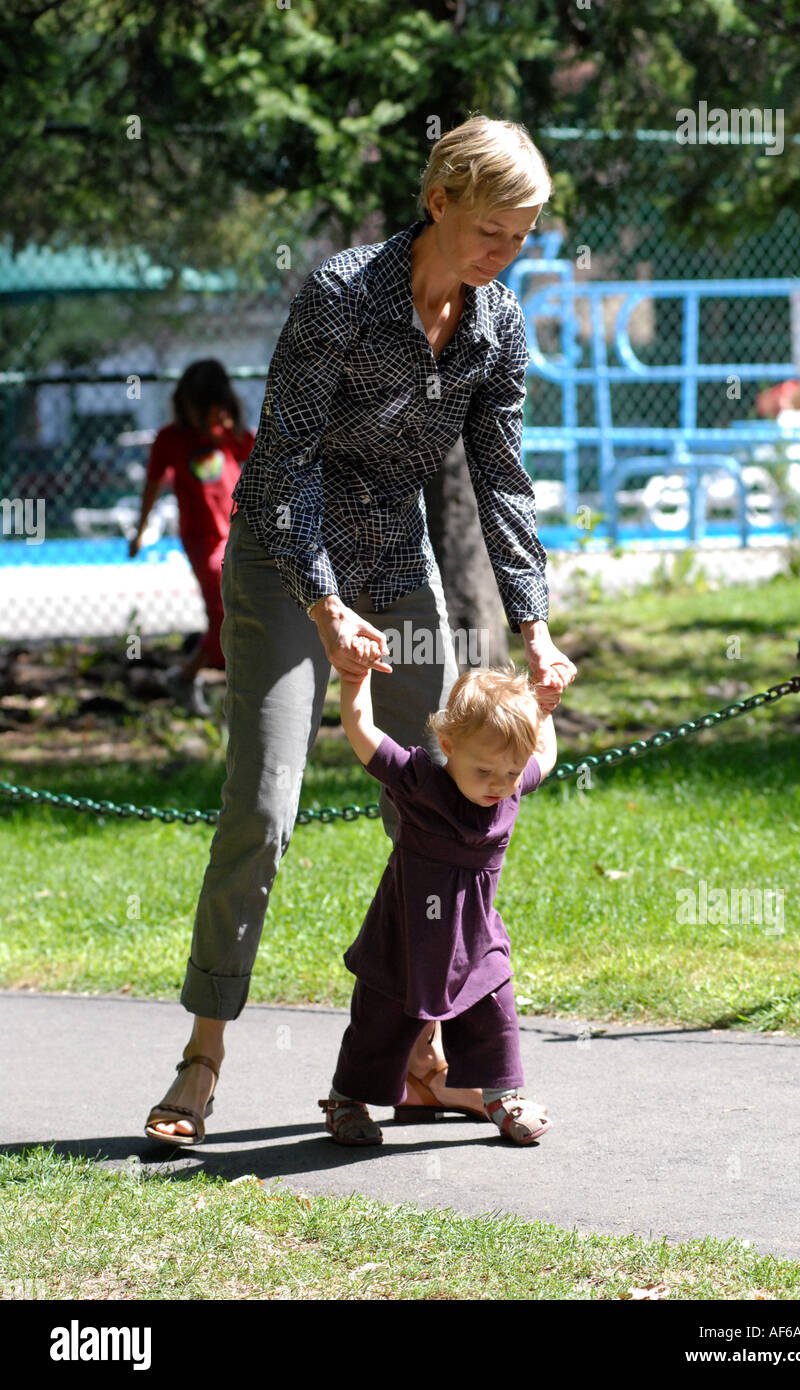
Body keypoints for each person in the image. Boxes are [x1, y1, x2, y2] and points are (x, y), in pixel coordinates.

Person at [144, 114, 577, 1148]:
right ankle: (202, 1058)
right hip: (284, 561)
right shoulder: (344, 293)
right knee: (264, 806)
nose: (504, 256)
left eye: (521, 238)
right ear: (439, 202)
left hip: (396, 556)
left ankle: (429, 1059)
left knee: (449, 805)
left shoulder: (496, 324)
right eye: (491, 233)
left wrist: (535, 624)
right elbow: (283, 458)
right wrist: (325, 601)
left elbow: (502, 479)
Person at [319, 659, 558, 1146]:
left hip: (474, 937)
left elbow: (546, 753)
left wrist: (545, 702)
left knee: (495, 1010)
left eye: (511, 771)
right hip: (403, 934)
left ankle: (502, 1094)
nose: (499, 783)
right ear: (448, 746)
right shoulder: (419, 782)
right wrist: (355, 679)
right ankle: (347, 1099)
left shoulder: (511, 788)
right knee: (380, 1021)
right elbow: (361, 730)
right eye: (485, 769)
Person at [129, 360, 255, 715]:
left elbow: (263, 461)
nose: (204, 417)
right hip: (202, 541)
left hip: (237, 535)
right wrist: (140, 531)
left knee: (239, 612)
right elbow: (152, 486)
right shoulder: (171, 439)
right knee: (225, 615)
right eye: (197, 408)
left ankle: (186, 676)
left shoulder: (229, 434)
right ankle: (239, 693)